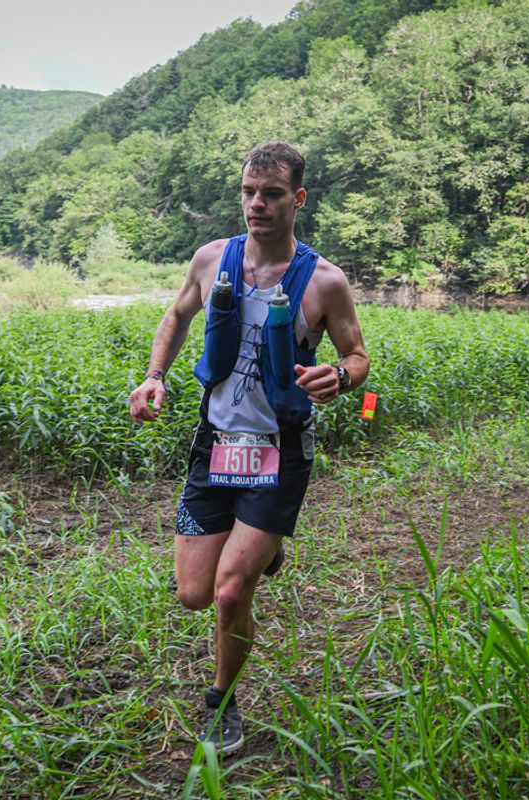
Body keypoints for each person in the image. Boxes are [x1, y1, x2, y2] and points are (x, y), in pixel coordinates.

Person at [128, 141, 369, 755]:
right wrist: (155, 374)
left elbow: (357, 355)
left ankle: (221, 701)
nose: (256, 204)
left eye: (271, 194)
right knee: (193, 595)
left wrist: (340, 377)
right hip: (215, 446)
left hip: (281, 449)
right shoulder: (212, 259)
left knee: (232, 594)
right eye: (248, 192)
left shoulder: (325, 281)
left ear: (298, 199)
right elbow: (178, 315)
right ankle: (261, 552)